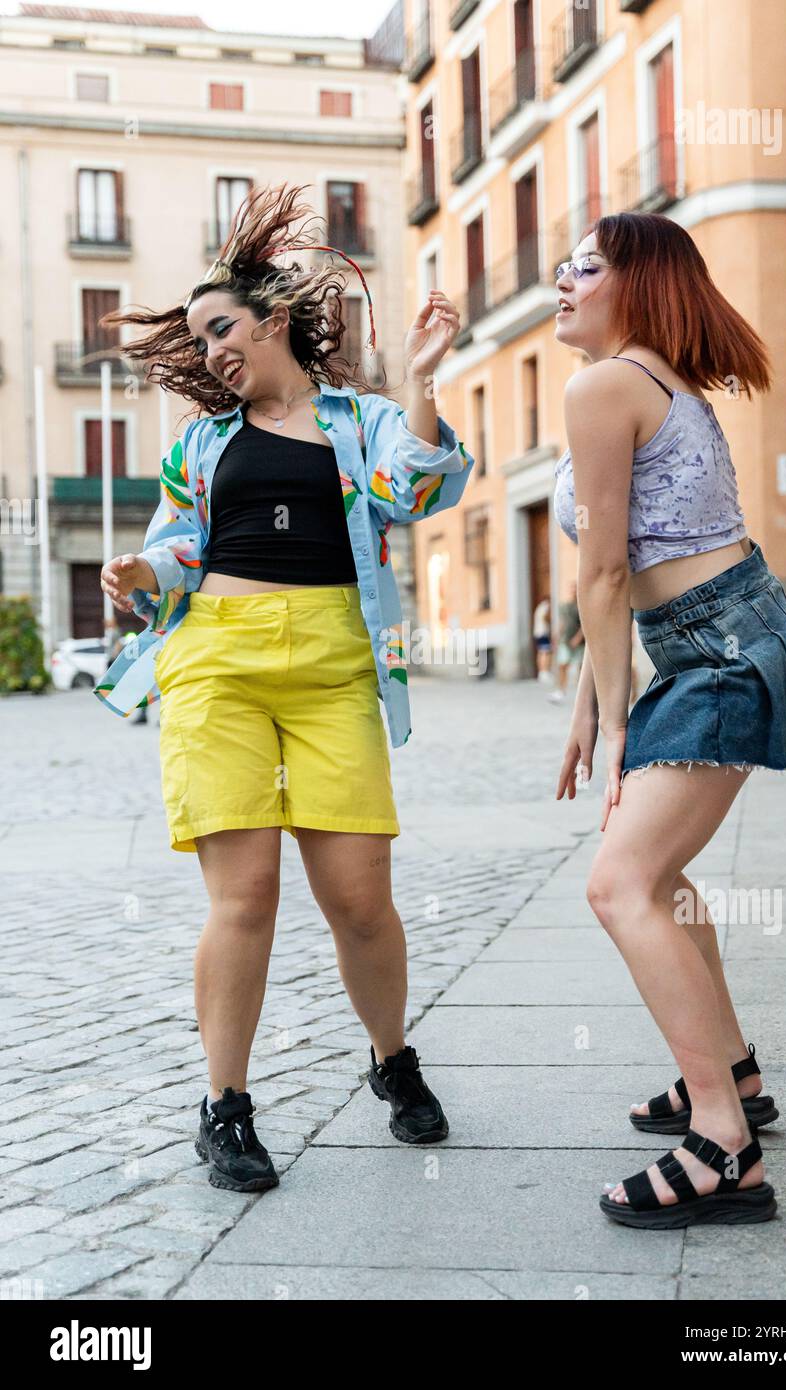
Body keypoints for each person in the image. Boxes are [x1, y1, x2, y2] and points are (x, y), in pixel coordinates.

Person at [95, 184, 475, 1192]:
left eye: (222, 327)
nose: (212, 350)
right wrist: (141, 577)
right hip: (214, 660)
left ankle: (392, 1059)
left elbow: (418, 487)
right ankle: (225, 1107)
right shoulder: (200, 447)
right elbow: (174, 551)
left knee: (359, 900)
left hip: (334, 663)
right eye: (198, 339)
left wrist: (425, 377)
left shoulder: (361, 421)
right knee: (245, 893)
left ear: (272, 319)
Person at [551, 212, 786, 1229]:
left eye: (581, 268)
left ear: (633, 284)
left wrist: (616, 717)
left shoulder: (607, 385)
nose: (560, 282)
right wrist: (592, 698)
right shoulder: (652, 379)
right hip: (728, 631)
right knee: (657, 878)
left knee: (620, 882)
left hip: (717, 648)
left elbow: (599, 567)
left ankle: (722, 1143)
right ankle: (731, 1074)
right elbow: (623, 563)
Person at [548, 580, 584, 703]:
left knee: (581, 667)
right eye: (571, 588)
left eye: (575, 588)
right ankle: (560, 690)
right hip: (565, 640)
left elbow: (584, 625)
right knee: (562, 665)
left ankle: (582, 694)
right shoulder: (564, 606)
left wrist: (578, 638)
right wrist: (556, 635)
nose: (573, 590)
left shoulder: (582, 606)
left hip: (580, 642)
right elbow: (563, 622)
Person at [532, 595, 552, 681]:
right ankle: (545, 672)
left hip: (537, 633)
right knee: (546, 652)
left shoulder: (539, 607)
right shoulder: (546, 606)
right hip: (544, 632)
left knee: (540, 652)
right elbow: (545, 617)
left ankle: (541, 672)